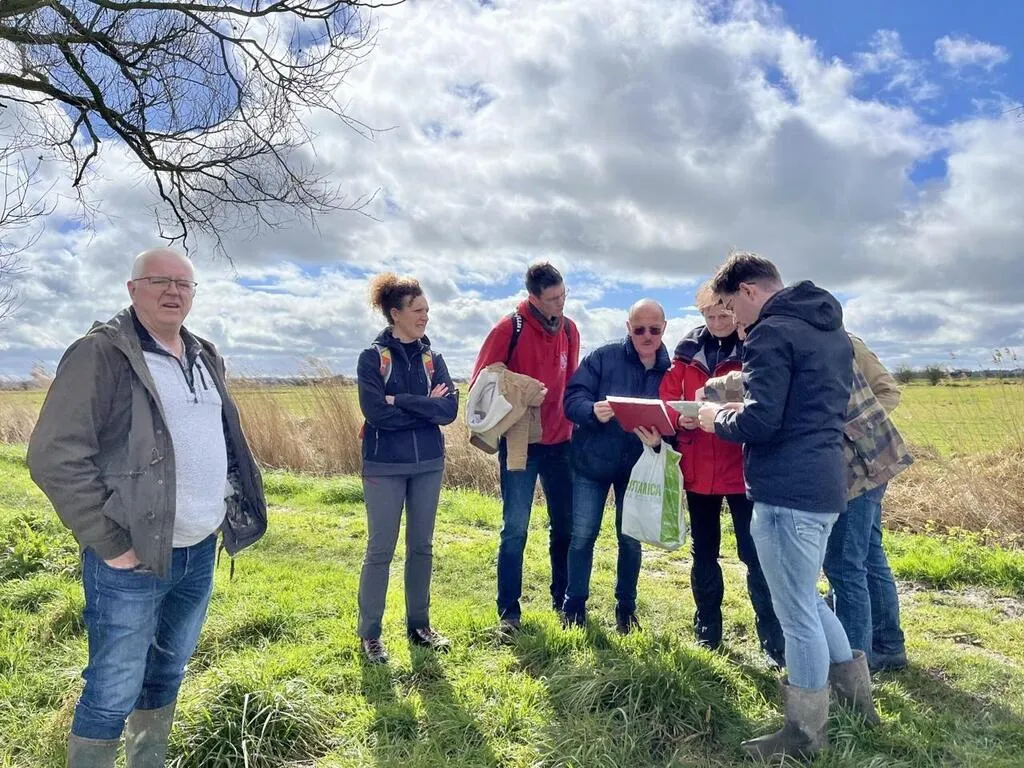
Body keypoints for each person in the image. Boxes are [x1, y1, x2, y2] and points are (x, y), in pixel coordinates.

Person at [27, 248, 267, 768]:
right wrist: (110, 543)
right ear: (132, 289)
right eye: (159, 281)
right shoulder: (101, 354)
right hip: (132, 557)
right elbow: (54, 455)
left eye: (184, 283)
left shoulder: (205, 355)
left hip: (198, 551)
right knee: (113, 687)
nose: (173, 291)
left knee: (166, 674)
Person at [696, 252, 877, 761]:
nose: (734, 320)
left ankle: (804, 733)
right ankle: (856, 703)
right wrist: (746, 408)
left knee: (795, 612)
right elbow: (799, 408)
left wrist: (715, 419)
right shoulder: (827, 329)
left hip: (786, 491)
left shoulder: (772, 332)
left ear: (749, 291)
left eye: (731, 307)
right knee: (809, 600)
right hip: (823, 482)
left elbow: (762, 423)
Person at [660, 282, 784, 665]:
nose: (717, 322)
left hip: (743, 467)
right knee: (704, 552)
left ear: (734, 309)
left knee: (755, 554)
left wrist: (718, 409)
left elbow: (761, 398)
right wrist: (679, 419)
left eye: (723, 314)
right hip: (699, 469)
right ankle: (708, 629)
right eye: (709, 316)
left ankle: (772, 637)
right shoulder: (685, 354)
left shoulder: (753, 347)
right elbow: (667, 399)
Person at [470, 262, 580, 634]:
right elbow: (481, 384)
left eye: (564, 295)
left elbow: (572, 382)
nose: (560, 304)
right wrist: (522, 388)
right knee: (515, 529)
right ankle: (509, 613)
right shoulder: (508, 328)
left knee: (565, 527)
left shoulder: (570, 329)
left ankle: (564, 603)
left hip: (561, 442)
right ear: (533, 297)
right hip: (521, 443)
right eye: (552, 299)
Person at [356, 273, 459, 664]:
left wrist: (399, 399)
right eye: (417, 310)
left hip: (429, 464)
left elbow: (448, 411)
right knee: (380, 549)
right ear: (395, 314)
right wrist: (424, 405)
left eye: (427, 310)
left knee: (422, 547)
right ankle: (370, 634)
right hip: (384, 465)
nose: (425, 316)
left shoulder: (435, 360)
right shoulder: (372, 359)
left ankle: (420, 626)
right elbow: (376, 413)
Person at [562, 299, 671, 634]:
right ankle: (573, 608)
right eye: (639, 329)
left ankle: (626, 611)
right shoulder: (602, 357)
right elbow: (572, 399)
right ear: (628, 328)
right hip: (591, 463)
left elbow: (676, 421)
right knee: (583, 536)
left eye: (654, 329)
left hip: (637, 469)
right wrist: (591, 410)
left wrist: (659, 442)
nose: (647, 336)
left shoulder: (671, 370)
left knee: (630, 540)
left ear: (664, 329)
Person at [823, 335, 913, 672]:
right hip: (857, 467)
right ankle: (887, 644)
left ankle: (857, 662)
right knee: (869, 556)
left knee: (847, 563)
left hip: (864, 466)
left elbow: (888, 392)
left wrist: (848, 430)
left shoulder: (846, 342)